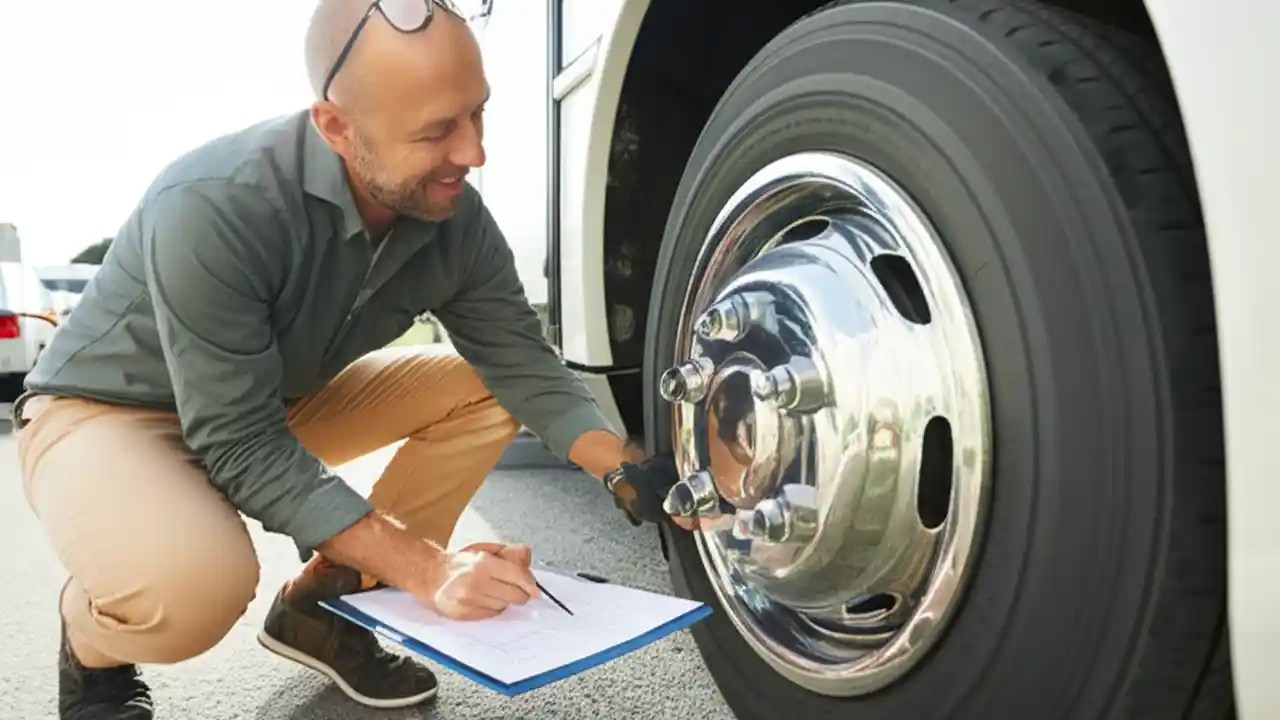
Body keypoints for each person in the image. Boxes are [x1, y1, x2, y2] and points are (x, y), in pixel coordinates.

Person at [12, 1, 688, 717]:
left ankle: (329, 607)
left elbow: (520, 361)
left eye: (476, 115)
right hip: (108, 411)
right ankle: (96, 640)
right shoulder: (215, 204)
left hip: (267, 401)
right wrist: (431, 569)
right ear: (335, 126)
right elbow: (240, 445)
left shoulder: (450, 214)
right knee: (190, 590)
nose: (473, 153)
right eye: (436, 131)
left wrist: (619, 465)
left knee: (485, 389)